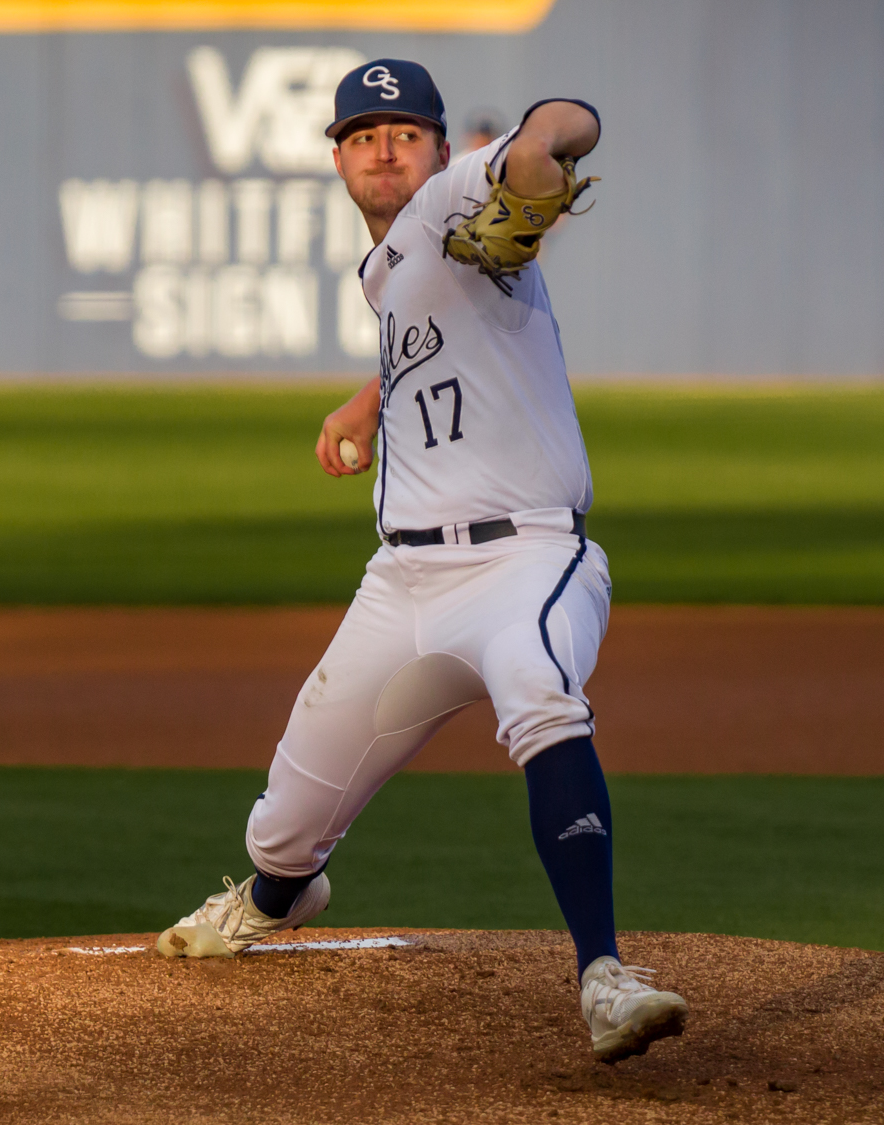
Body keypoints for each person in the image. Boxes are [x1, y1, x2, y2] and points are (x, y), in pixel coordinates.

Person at [156, 60, 690, 1063]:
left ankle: (604, 976)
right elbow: (430, 333)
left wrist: (531, 155)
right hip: (402, 590)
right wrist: (368, 400)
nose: (383, 148)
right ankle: (275, 895)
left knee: (538, 690)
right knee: (279, 828)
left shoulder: (459, 199)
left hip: (522, 563)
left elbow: (566, 125)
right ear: (337, 162)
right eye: (362, 136)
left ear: (442, 149)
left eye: (403, 132)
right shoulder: (384, 268)